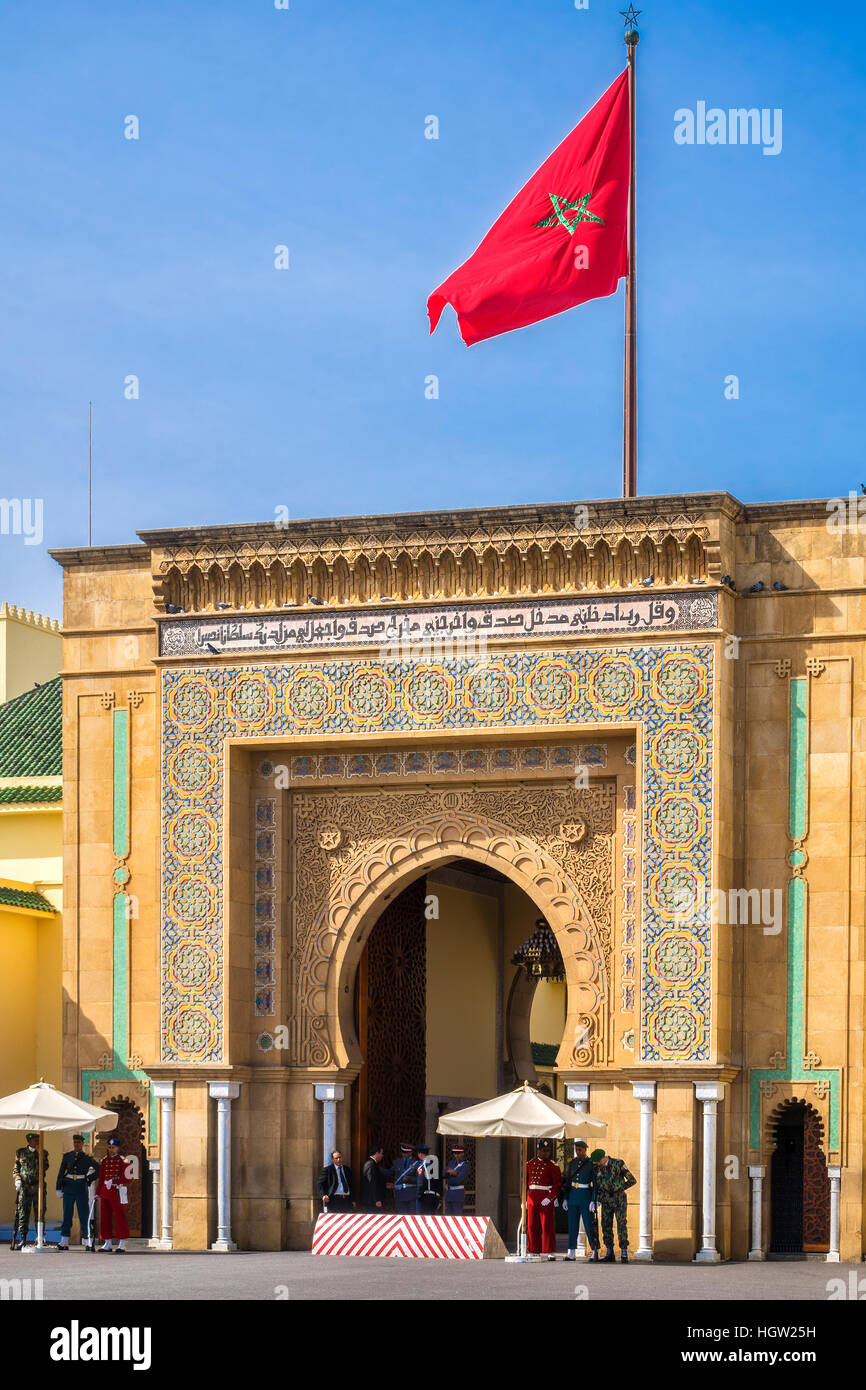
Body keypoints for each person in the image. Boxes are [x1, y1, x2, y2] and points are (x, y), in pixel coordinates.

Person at [591, 1148, 637, 1262]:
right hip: (606, 1200)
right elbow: (599, 1187)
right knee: (606, 1225)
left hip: (619, 1199)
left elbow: (632, 1180)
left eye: (597, 1161)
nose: (596, 1164)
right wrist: (597, 1200)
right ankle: (609, 1252)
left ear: (603, 1158)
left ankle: (624, 1252)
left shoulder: (618, 1163)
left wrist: (620, 1188)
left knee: (621, 1224)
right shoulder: (597, 1168)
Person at [56, 1134, 99, 1251]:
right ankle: (64, 1240)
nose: (76, 1144)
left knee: (83, 1215)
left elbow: (99, 1170)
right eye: (75, 1142)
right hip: (69, 1187)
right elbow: (61, 1173)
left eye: (78, 1143)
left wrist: (89, 1179)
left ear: (82, 1144)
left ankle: (86, 1240)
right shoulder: (67, 1156)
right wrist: (58, 1188)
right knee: (67, 1214)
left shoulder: (87, 1158)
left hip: (81, 1187)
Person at [561, 1139, 599, 1261]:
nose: (578, 1152)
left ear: (585, 1150)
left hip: (585, 1197)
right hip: (573, 1196)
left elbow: (595, 1184)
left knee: (589, 1225)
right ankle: (572, 1251)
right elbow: (567, 1182)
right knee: (572, 1226)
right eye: (577, 1149)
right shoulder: (572, 1163)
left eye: (580, 1150)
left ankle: (594, 1250)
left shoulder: (590, 1164)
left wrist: (593, 1200)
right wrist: (566, 1198)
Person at [12, 1133, 49, 1251]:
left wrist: (39, 1153)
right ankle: (23, 1239)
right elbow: (16, 1169)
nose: (37, 1142)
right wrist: (17, 1179)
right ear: (29, 1141)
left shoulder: (43, 1153)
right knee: (23, 1213)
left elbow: (46, 1167)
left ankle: (40, 1237)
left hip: (38, 1187)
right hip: (25, 1188)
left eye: (38, 1140)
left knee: (40, 1213)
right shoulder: (20, 1152)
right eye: (35, 1140)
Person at [526, 1139, 561, 1261]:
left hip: (545, 1196)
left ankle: (549, 1250)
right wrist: (524, 1200)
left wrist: (550, 1197)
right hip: (532, 1196)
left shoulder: (553, 1165)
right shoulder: (530, 1163)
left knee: (547, 1225)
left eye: (547, 1151)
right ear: (538, 1150)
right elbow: (525, 1182)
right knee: (531, 1225)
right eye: (543, 1150)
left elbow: (557, 1184)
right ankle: (533, 1249)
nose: (546, 1153)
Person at [95, 1136, 130, 1253]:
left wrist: (114, 1180)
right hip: (105, 1191)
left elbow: (127, 1178)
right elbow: (101, 1178)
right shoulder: (105, 1160)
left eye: (113, 1147)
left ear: (118, 1148)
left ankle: (122, 1243)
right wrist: (97, 1192)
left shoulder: (123, 1160)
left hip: (117, 1190)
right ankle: (107, 1242)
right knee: (104, 1217)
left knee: (119, 1217)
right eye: (109, 1147)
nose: (111, 1150)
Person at [360, 1147, 390, 1212]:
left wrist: (385, 1184)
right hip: (372, 1201)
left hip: (373, 1201)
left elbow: (376, 1181)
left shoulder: (373, 1164)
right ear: (377, 1153)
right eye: (381, 1153)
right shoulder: (370, 1164)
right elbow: (371, 1183)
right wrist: (376, 1199)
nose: (382, 1155)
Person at [392, 1143, 418, 1214]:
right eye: (402, 1152)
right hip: (399, 1194)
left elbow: (419, 1179)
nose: (404, 1154)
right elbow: (390, 1172)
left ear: (411, 1152)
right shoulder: (397, 1162)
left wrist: (409, 1178)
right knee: (402, 1216)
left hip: (411, 1194)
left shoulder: (416, 1163)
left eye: (406, 1152)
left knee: (411, 1217)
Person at [443, 1145, 469, 1215]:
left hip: (458, 1194)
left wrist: (450, 1175)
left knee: (457, 1216)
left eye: (458, 1153)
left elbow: (459, 1180)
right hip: (449, 1193)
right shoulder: (451, 1162)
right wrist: (453, 1173)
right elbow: (443, 1174)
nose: (456, 1155)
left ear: (462, 1153)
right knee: (448, 1217)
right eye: (454, 1153)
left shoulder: (465, 1164)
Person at [415, 1145, 440, 1214]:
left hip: (425, 1196)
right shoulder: (434, 1163)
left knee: (422, 1220)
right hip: (435, 1196)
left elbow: (421, 1181)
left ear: (420, 1154)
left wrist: (419, 1195)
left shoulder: (423, 1165)